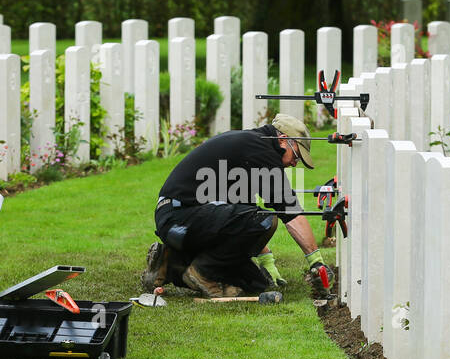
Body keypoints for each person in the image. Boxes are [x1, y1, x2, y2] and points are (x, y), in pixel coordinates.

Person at [142, 113, 332, 299]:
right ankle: (203, 272)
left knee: (256, 283)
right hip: (180, 216)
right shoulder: (261, 149)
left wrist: (267, 261)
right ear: (283, 140)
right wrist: (316, 262)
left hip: (183, 220)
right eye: (296, 155)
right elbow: (289, 211)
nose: (294, 163)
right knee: (265, 220)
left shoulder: (250, 149)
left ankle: (168, 263)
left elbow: (242, 218)